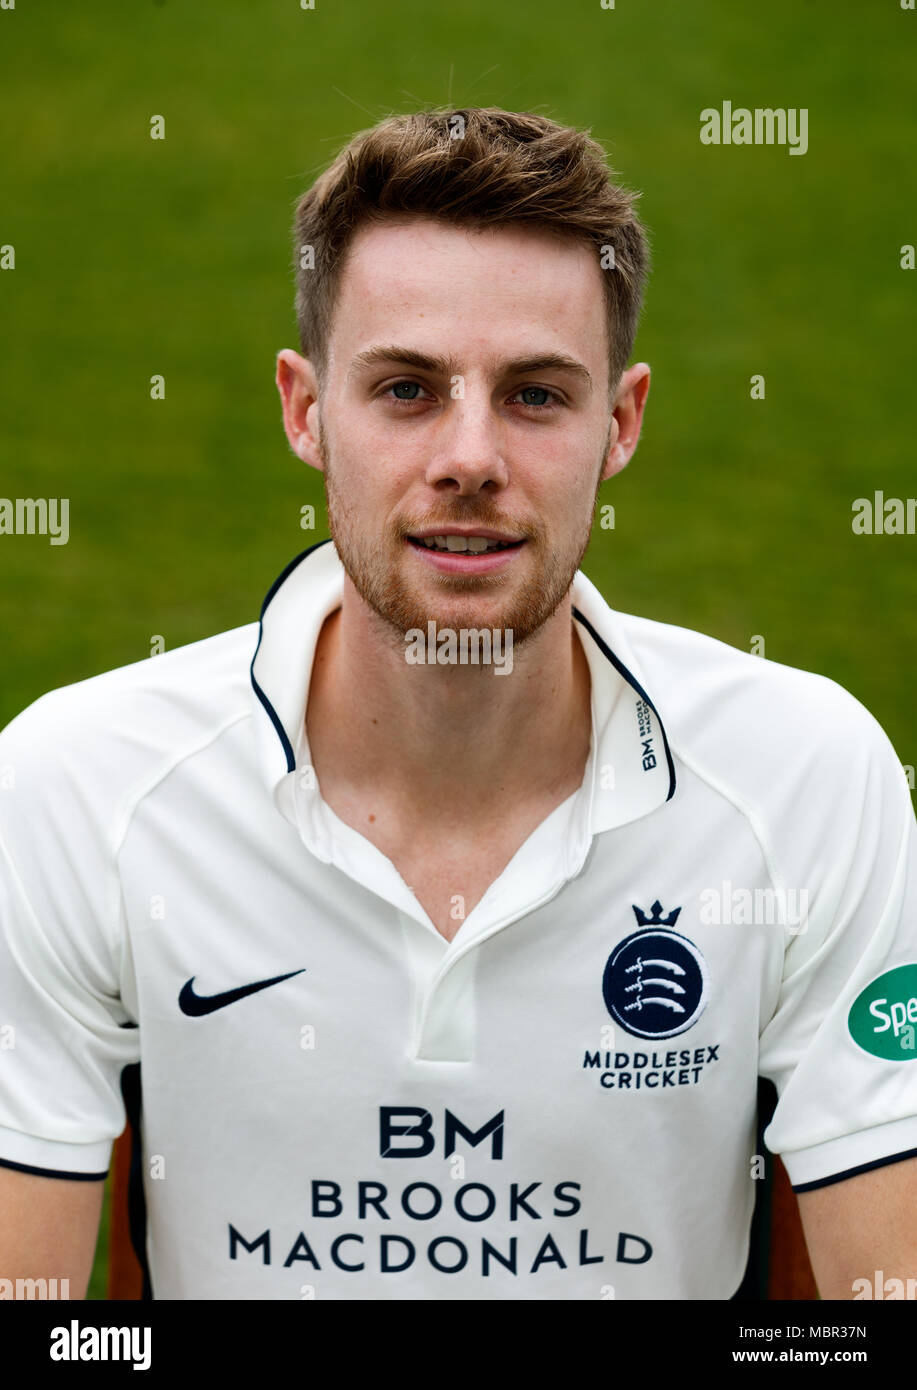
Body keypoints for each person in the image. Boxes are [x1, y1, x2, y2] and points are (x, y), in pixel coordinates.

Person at [0, 107, 915, 1302]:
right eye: (406, 389)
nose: (470, 457)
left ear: (621, 421)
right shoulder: (77, 785)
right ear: (305, 410)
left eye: (535, 396)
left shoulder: (805, 773)